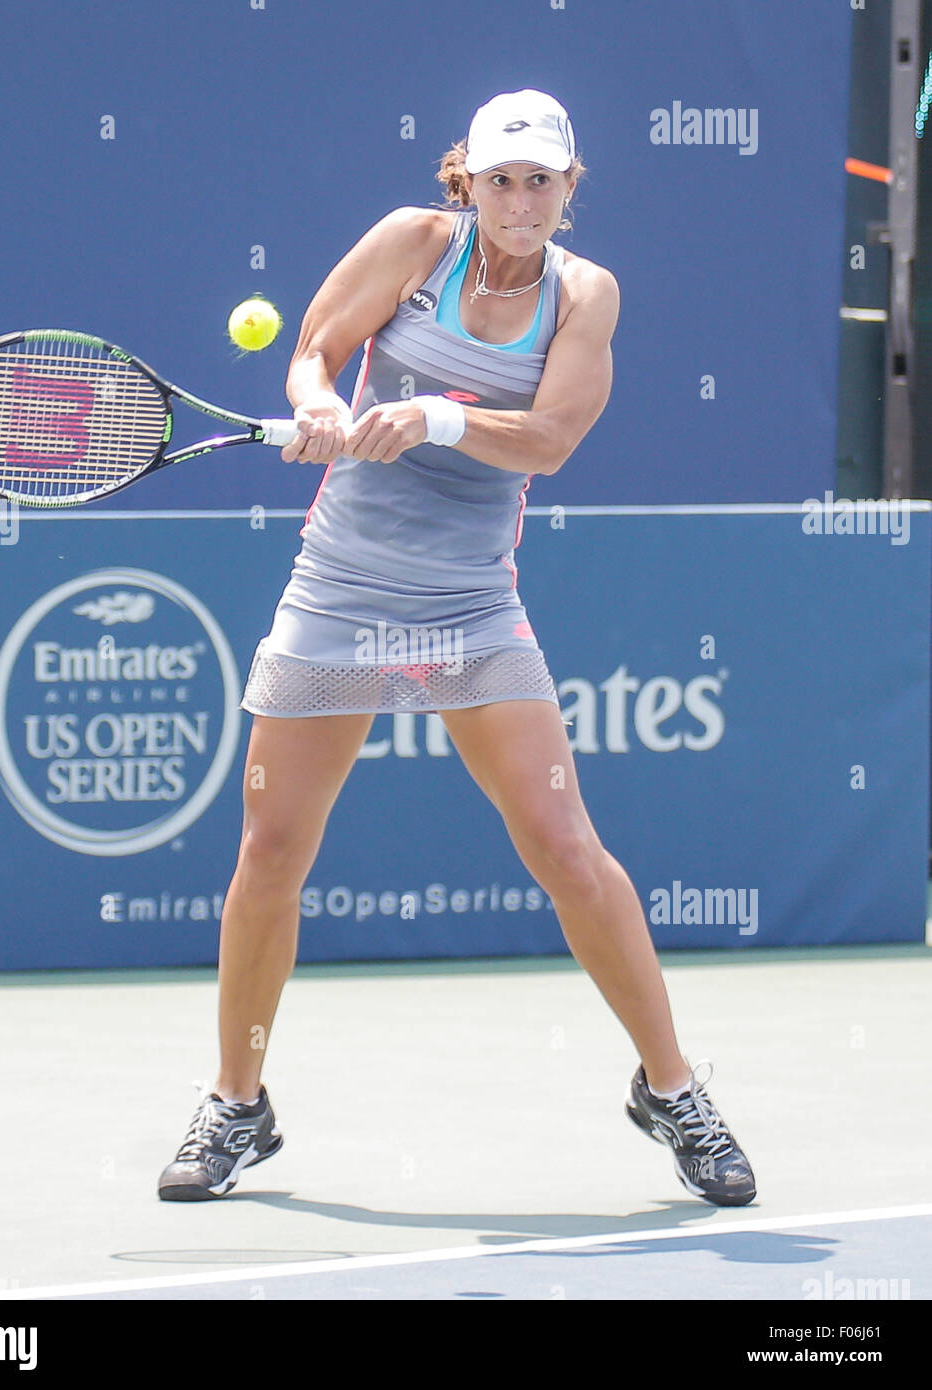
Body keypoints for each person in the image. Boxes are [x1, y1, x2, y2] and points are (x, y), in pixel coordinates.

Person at [158, 90, 756, 1208]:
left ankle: (669, 1087)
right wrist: (322, 408)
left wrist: (431, 414)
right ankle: (239, 1101)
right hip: (337, 586)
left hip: (469, 606)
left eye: (541, 180)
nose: (519, 199)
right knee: (270, 849)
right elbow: (311, 354)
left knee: (564, 848)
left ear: (570, 188)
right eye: (499, 179)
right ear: (463, 183)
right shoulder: (411, 245)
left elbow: (552, 439)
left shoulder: (586, 296)